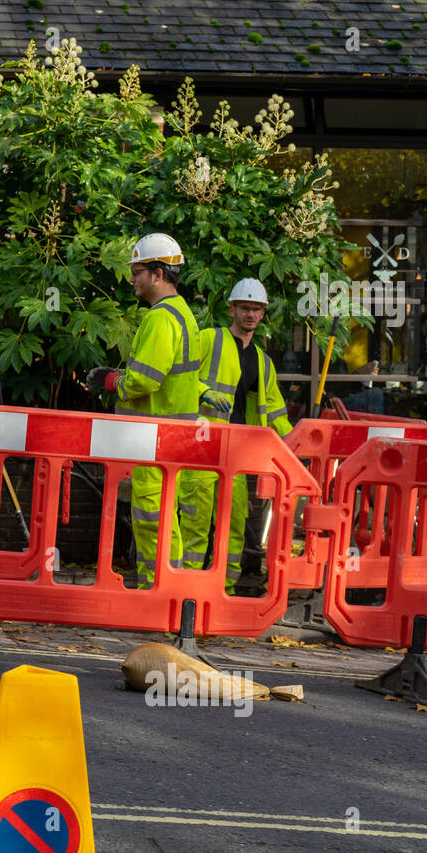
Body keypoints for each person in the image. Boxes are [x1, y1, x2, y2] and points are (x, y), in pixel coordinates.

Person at [86, 233, 231, 587]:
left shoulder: (159, 319)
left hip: (152, 440)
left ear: (158, 274)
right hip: (172, 440)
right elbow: (175, 376)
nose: (132, 279)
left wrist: (109, 382)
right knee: (167, 521)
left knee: (153, 519)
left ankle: (158, 591)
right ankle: (172, 590)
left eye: (137, 272)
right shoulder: (182, 314)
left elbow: (144, 381)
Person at [178, 277, 292, 594]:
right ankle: (186, 586)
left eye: (256, 309)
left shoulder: (263, 362)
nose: (250, 314)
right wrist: (203, 391)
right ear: (232, 309)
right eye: (245, 308)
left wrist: (296, 449)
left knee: (234, 522)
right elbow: (181, 374)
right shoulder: (209, 340)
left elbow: (276, 413)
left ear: (263, 313)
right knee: (195, 520)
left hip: (237, 453)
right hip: (201, 446)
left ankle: (222, 588)